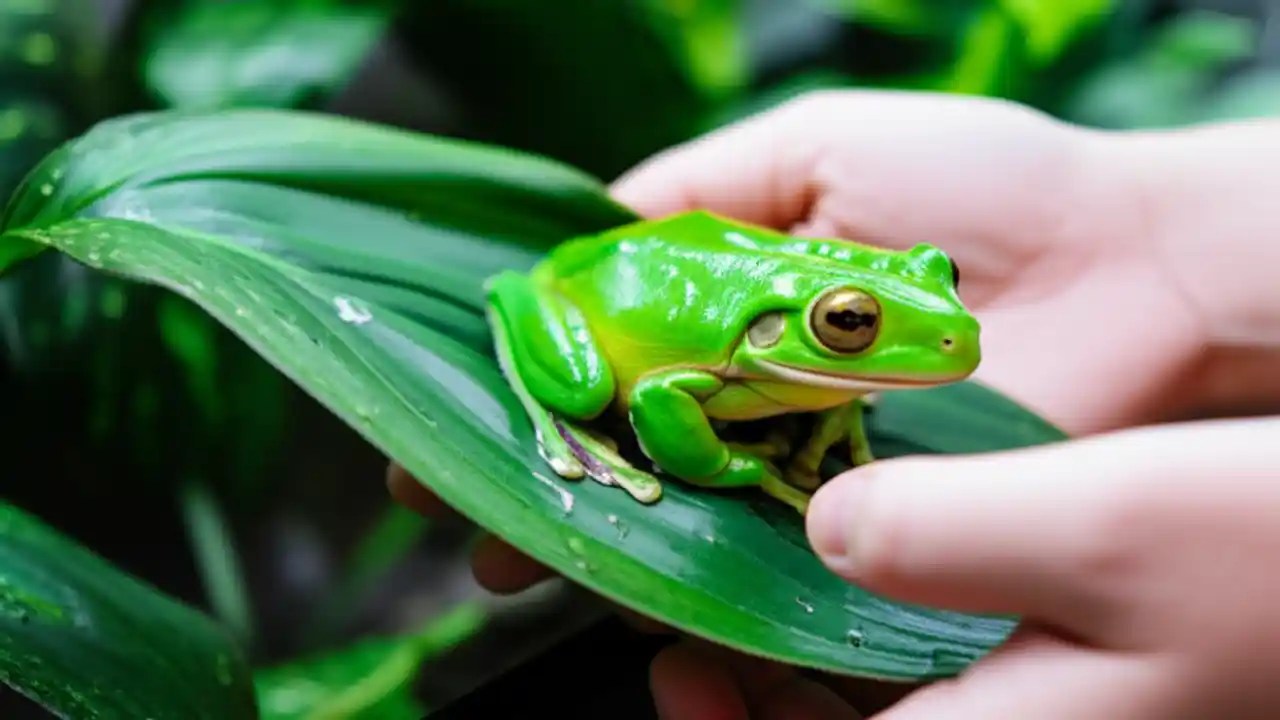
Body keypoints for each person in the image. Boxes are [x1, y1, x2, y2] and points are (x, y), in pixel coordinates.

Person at [387, 90, 1280, 719]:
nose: (955, 326)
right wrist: (726, 462)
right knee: (588, 387)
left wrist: (1157, 236)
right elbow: (662, 395)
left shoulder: (839, 337)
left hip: (700, 279)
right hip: (596, 300)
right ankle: (560, 419)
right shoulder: (731, 358)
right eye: (851, 323)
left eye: (946, 281)